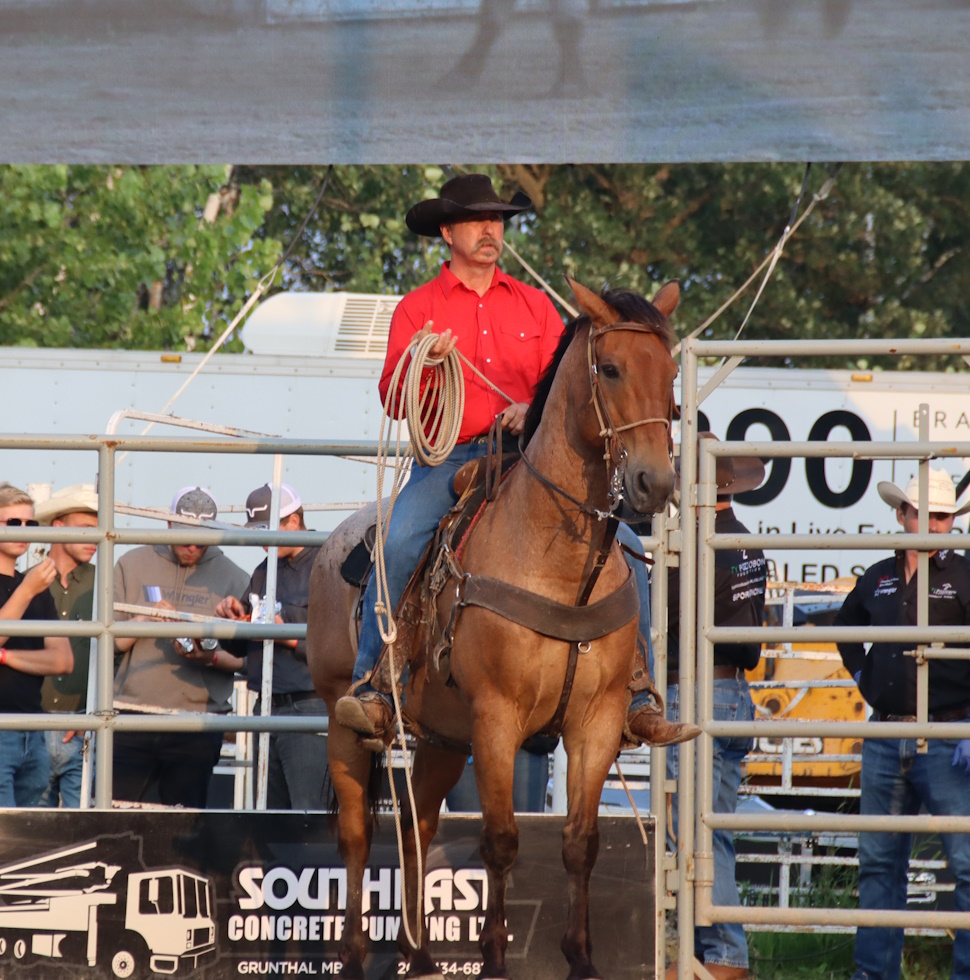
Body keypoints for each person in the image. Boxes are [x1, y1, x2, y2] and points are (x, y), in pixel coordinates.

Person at [335, 172, 696, 752]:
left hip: (527, 458)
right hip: (449, 457)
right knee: (400, 540)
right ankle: (378, 682)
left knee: (628, 546)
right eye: (477, 220)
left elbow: (567, 388)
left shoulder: (535, 306)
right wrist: (429, 365)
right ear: (447, 232)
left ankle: (636, 695)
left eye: (497, 220)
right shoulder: (417, 309)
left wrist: (532, 406)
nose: (491, 230)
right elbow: (393, 398)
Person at [835, 468, 970, 980]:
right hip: (888, 732)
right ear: (902, 515)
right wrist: (865, 676)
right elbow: (846, 627)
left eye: (944, 517)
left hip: (950, 735)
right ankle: (874, 974)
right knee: (878, 863)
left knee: (967, 864)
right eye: (926, 515)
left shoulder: (965, 574)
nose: (935, 526)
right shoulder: (879, 576)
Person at [664, 434, 768, 980]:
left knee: (690, 831)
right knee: (712, 828)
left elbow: (666, 621)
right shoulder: (746, 543)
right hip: (733, 691)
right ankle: (716, 949)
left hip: (694, 690)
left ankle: (722, 954)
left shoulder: (689, 544)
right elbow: (751, 641)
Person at [112, 486, 249, 808]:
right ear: (169, 524)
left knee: (185, 822)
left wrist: (208, 657)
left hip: (198, 721)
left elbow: (246, 659)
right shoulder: (131, 563)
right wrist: (146, 617)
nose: (193, 547)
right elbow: (114, 641)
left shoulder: (236, 578)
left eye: (202, 540)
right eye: (186, 537)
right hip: (132, 713)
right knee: (114, 815)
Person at [215, 482, 328, 810]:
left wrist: (287, 636)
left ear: (294, 521)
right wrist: (234, 618)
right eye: (257, 531)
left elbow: (347, 643)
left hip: (311, 705)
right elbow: (240, 649)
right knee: (270, 818)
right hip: (265, 707)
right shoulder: (264, 570)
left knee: (309, 815)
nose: (262, 540)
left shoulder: (327, 563)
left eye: (267, 529)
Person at [0, 482, 73, 807]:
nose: (24, 530)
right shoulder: (32, 586)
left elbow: (62, 661)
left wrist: (5, 655)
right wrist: (26, 590)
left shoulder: (36, 587)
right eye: (13, 522)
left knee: (26, 833)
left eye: (30, 523)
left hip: (33, 729)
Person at [33, 484, 99, 808]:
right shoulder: (24, 582)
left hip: (84, 726)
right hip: (29, 728)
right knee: (27, 829)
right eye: (86, 528)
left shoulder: (106, 585)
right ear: (58, 527)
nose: (96, 538)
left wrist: (93, 716)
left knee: (85, 829)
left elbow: (117, 658)